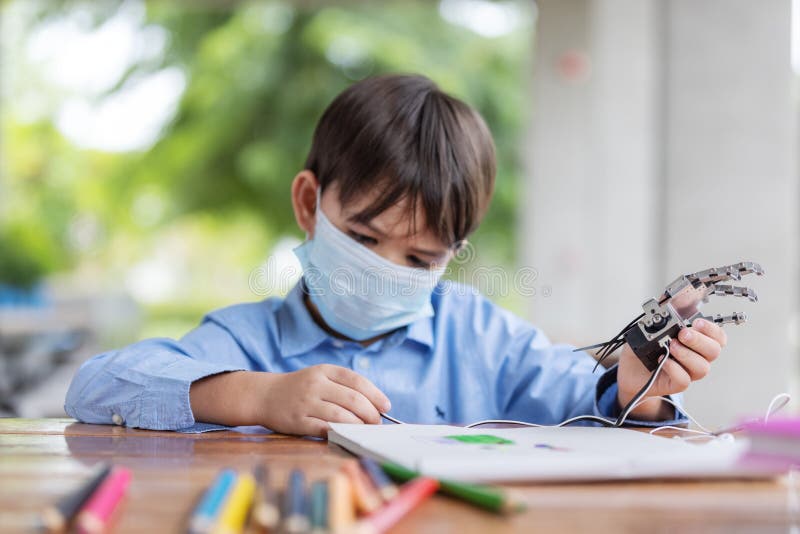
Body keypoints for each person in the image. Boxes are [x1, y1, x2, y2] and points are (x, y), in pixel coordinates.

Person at [65, 74, 726, 437]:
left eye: (420, 259)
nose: (384, 270)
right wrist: (257, 397)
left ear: (455, 254)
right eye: (361, 238)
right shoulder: (250, 342)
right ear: (307, 204)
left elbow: (588, 396)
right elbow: (96, 385)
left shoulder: (483, 338)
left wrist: (639, 392)